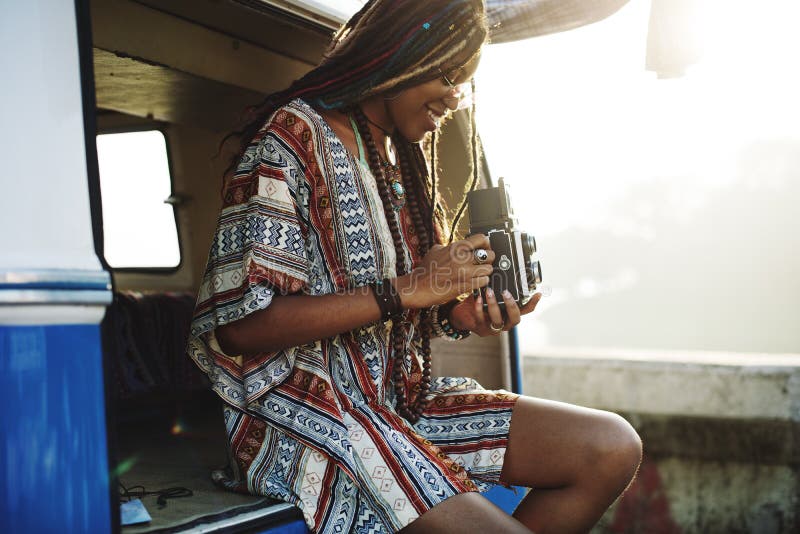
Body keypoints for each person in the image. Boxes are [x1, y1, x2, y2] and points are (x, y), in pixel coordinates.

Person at [187, 1, 642, 532]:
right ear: (402, 53)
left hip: (399, 401)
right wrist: (410, 288)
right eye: (449, 76)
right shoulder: (291, 141)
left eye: (465, 83)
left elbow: (393, 307)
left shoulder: (396, 155)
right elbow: (242, 327)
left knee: (610, 447)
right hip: (307, 415)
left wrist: (456, 316)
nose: (455, 97)